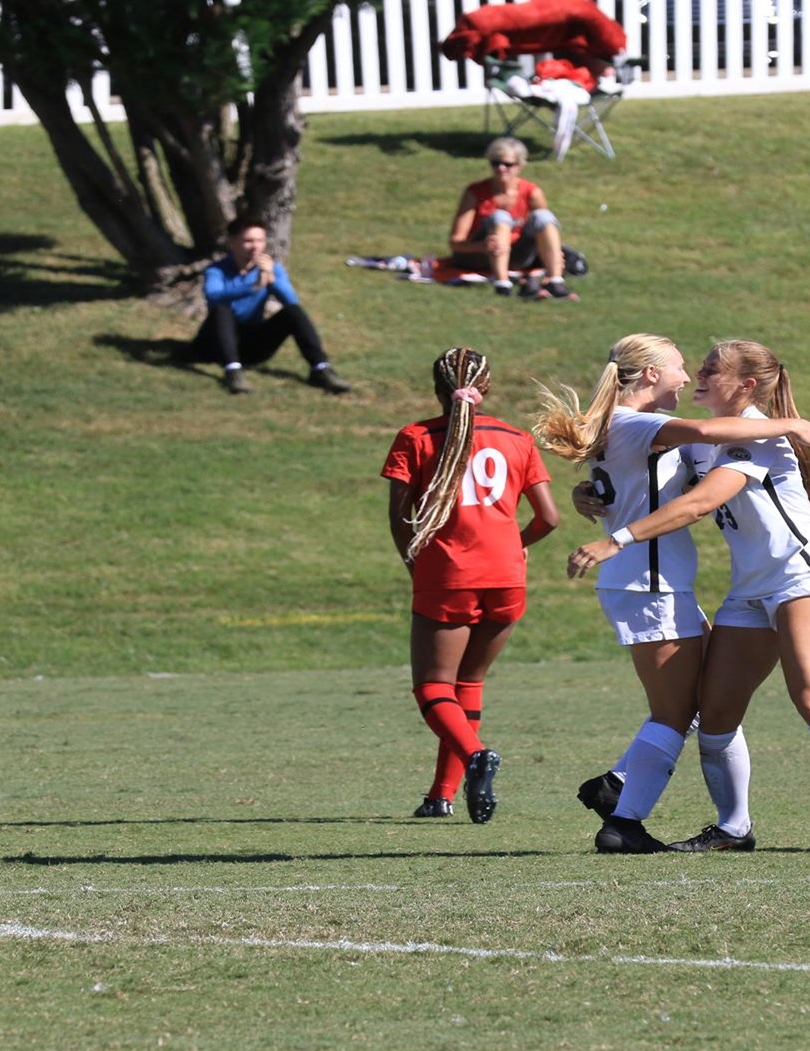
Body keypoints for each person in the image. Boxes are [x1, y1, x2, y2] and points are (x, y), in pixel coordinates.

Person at [567, 340, 810, 853]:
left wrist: (616, 539)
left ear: (746, 385)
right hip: (749, 590)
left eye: (710, 369)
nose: (697, 375)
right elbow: (642, 477)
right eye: (696, 367)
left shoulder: (757, 436)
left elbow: (701, 502)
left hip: (803, 577)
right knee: (715, 713)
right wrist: (588, 493)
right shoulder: (704, 440)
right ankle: (733, 829)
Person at [533, 334, 810, 854]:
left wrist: (588, 497)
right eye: (677, 367)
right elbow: (710, 429)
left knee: (707, 703)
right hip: (648, 582)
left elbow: (618, 485)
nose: (687, 377)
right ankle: (624, 817)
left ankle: (679, 807)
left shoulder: (619, 423)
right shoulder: (639, 421)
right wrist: (788, 423)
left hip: (651, 582)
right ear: (649, 375)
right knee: (677, 713)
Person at [382, 347, 560, 822]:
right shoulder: (517, 438)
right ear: (488, 389)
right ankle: (441, 795)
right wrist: (516, 544)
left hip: (448, 574)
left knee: (433, 687)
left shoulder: (416, 436)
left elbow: (401, 518)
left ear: (437, 389)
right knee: (469, 684)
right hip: (506, 577)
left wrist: (414, 564)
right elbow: (549, 518)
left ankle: (475, 755)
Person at [191, 216, 349, 396]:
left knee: (292, 312)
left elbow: (291, 300)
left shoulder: (271, 268)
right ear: (232, 243)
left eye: (260, 240)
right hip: (215, 343)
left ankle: (321, 368)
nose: (255, 246)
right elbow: (213, 296)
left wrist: (270, 278)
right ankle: (233, 371)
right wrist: (252, 287)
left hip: (252, 345)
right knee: (222, 308)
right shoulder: (216, 270)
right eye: (248, 241)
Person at [447, 137, 574, 300]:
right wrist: (482, 247)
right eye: (495, 163)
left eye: (508, 165)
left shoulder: (531, 192)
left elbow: (543, 229)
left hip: (516, 256)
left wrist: (555, 254)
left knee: (543, 216)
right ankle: (502, 283)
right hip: (477, 256)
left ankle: (555, 281)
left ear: (520, 166)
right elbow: (455, 242)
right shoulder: (474, 192)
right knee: (500, 217)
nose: (501, 168)